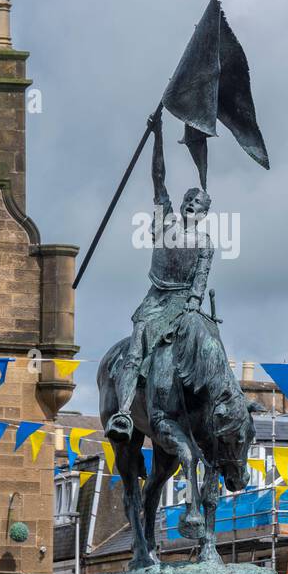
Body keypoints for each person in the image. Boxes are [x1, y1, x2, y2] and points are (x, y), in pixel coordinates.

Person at [106, 108, 214, 440]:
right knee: (138, 345)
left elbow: (199, 286)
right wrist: (158, 136)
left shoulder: (205, 245)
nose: (192, 204)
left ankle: (217, 400)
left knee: (209, 345)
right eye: (189, 200)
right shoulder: (165, 221)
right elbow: (158, 176)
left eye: (198, 203)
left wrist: (193, 308)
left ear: (205, 213)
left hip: (183, 303)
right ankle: (124, 413)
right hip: (156, 299)